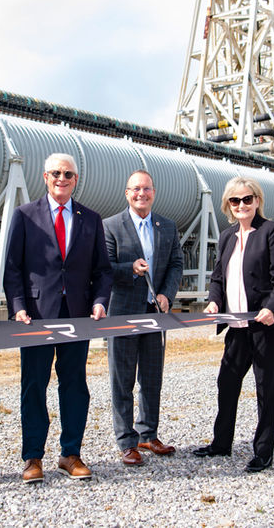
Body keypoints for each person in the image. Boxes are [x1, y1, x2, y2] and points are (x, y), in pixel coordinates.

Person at [2, 153, 113, 483]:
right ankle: (33, 458)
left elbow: (102, 271)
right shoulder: (25, 216)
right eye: (56, 173)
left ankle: (71, 454)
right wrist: (18, 305)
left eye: (68, 174)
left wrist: (99, 301)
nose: (62, 178)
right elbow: (13, 268)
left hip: (77, 314)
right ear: (45, 177)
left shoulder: (91, 219)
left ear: (75, 180)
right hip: (35, 315)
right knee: (34, 385)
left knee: (75, 384)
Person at [193, 176, 274, 473]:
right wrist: (214, 302)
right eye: (235, 201)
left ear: (257, 201)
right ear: (228, 205)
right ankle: (221, 444)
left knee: (265, 389)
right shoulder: (226, 237)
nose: (241, 205)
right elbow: (218, 279)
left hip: (265, 327)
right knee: (226, 383)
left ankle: (263, 453)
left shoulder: (271, 232)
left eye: (247, 199)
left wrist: (271, 308)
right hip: (236, 328)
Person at [103, 170, 184, 466]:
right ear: (127, 193)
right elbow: (103, 268)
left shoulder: (167, 226)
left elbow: (176, 264)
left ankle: (148, 433)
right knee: (122, 380)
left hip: (155, 313)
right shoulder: (110, 226)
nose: (142, 194)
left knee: (151, 377)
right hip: (123, 313)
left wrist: (166, 295)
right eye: (136, 189)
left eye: (147, 188)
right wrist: (129, 268)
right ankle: (127, 441)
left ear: (154, 192)